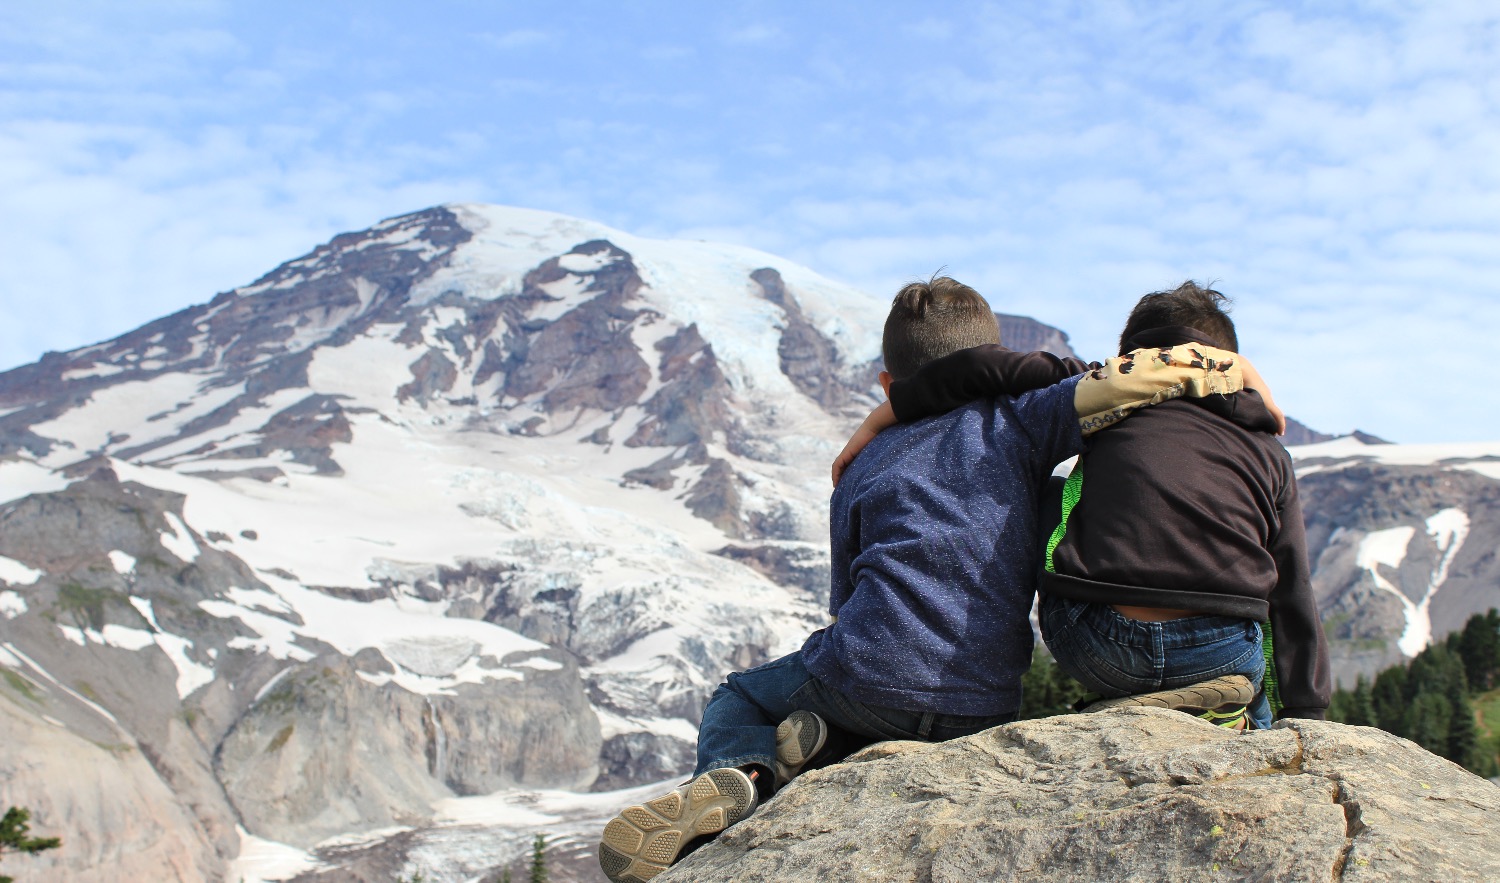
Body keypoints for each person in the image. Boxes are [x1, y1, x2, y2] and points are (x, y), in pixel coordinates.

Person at [597, 277, 1251, 883]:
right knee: (1059, 503)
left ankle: (745, 769)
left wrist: (886, 418)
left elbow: (845, 609)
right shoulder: (1021, 419)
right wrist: (1241, 373)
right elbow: (1158, 371)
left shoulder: (859, 464)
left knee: (740, 695)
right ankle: (825, 739)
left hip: (868, 683)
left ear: (889, 382)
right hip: (983, 704)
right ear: (995, 363)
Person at [865, 281, 1329, 730]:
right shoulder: (1269, 451)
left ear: (1133, 355)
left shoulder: (1105, 395)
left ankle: (1133, 693)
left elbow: (977, 367)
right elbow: (1292, 588)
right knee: (1257, 674)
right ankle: (1241, 720)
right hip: (1218, 649)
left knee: (1042, 489)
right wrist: (1308, 714)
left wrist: (888, 410)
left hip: (1097, 642)